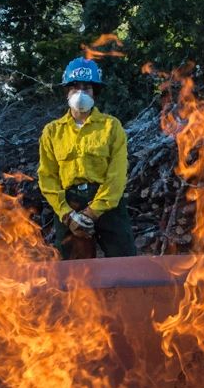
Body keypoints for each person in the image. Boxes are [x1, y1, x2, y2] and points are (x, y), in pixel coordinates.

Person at [38, 57, 137, 259]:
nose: (80, 93)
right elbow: (47, 177)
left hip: (107, 204)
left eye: (87, 88)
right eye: (75, 87)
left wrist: (92, 212)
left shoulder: (112, 127)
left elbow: (116, 176)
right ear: (67, 91)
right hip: (69, 204)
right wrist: (67, 215)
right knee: (74, 274)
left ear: (95, 92)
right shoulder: (52, 131)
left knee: (124, 262)